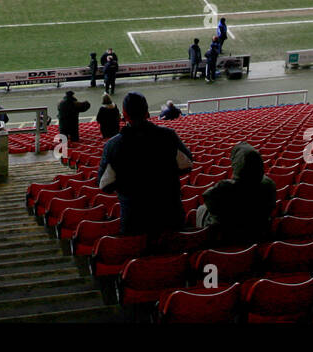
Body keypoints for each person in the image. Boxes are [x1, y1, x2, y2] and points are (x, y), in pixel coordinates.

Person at [97, 92, 194, 239]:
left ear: (124, 114)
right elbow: (187, 165)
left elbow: (105, 185)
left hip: (134, 223)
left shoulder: (113, 145)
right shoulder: (168, 136)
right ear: (147, 112)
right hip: (171, 218)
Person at [194, 142, 276, 246]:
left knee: (201, 209)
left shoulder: (224, 188)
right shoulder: (269, 184)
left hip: (227, 237)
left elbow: (208, 201)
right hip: (257, 233)